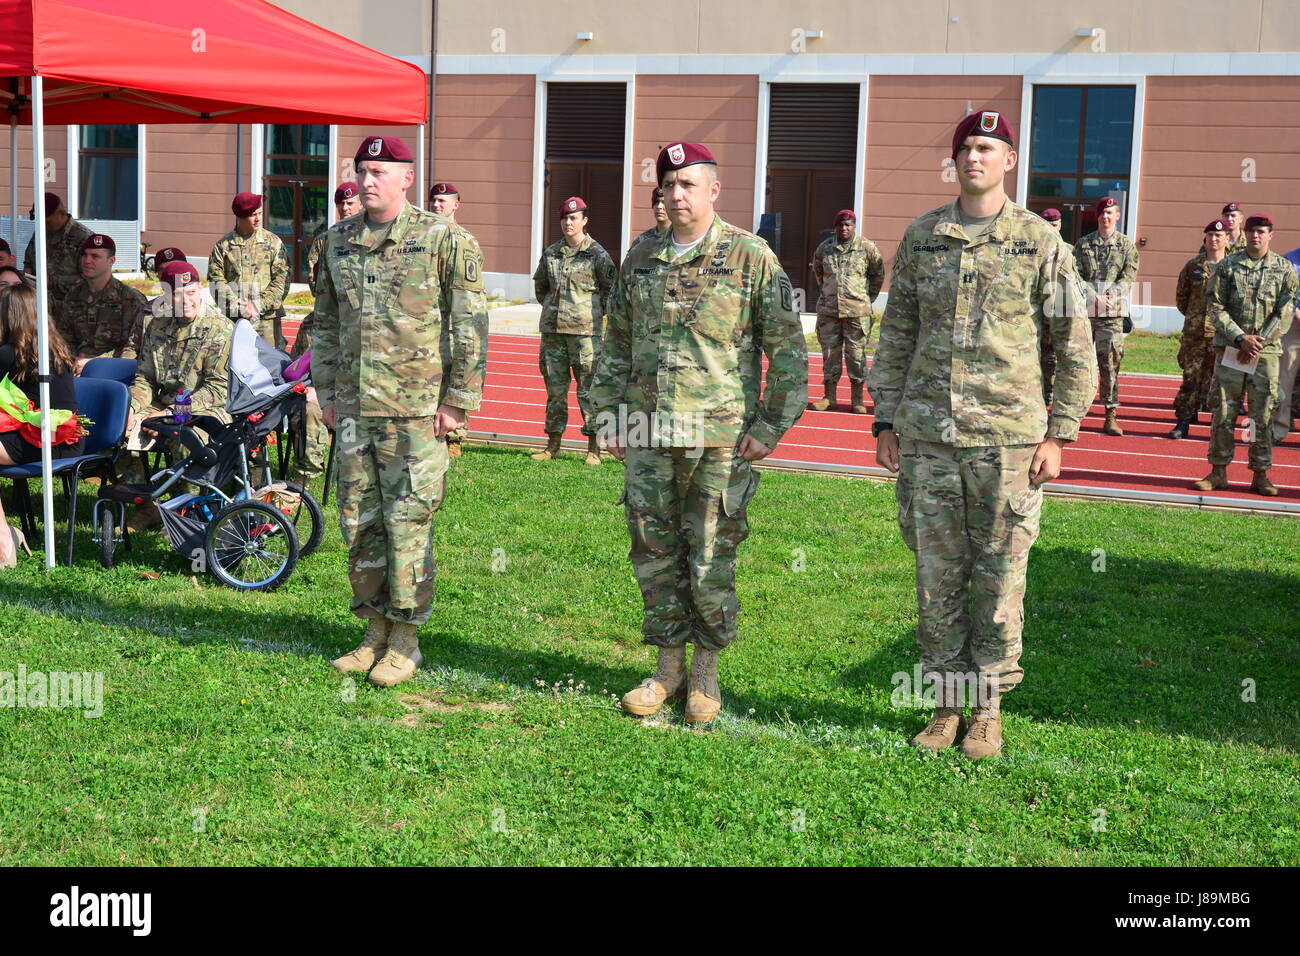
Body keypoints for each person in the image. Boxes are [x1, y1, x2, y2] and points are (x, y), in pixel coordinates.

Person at [869, 109, 1095, 760]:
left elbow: (1073, 344)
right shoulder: (923, 236)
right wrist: (886, 418)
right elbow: (899, 334)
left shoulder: (1040, 241)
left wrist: (1060, 435)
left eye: (988, 148)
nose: (975, 157)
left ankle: (987, 711)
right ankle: (944, 706)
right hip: (930, 439)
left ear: (1009, 161)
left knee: (999, 579)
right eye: (967, 147)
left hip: (1009, 441)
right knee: (937, 578)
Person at [590, 141, 808, 725]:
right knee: (654, 552)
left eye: (689, 184)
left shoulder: (749, 257)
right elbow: (615, 342)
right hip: (646, 431)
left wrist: (770, 424)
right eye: (669, 185)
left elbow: (787, 348)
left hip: (720, 437)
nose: (677, 194)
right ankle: (667, 668)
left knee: (712, 552)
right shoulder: (640, 256)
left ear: (714, 190)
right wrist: (605, 413)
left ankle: (705, 672)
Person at [314, 135, 488, 688]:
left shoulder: (445, 241)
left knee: (407, 522)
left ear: (406, 179)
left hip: (416, 412)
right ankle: (373, 630)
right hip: (355, 409)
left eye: (381, 172)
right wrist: (326, 393)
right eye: (363, 171)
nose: (369, 182)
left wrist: (457, 401)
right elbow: (323, 322)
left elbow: (469, 325)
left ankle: (407, 641)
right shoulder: (337, 241)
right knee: (358, 521)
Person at [1194, 215, 1298, 496]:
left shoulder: (1284, 268)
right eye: (1252, 231)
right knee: (1224, 411)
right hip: (1232, 349)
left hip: (1266, 352)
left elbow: (1286, 309)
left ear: (1270, 236)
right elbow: (1215, 306)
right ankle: (1218, 472)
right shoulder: (1228, 266)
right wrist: (1241, 338)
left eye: (1261, 232)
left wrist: (1258, 341)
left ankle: (1261, 474)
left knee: (1263, 413)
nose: (1255, 236)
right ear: (1245, 233)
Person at [125, 261, 232, 528]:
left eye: (192, 291)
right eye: (177, 293)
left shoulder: (219, 329)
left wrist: (172, 413)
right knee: (119, 430)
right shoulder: (157, 325)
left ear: (201, 290)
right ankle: (146, 506)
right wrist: (132, 408)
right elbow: (145, 377)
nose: (186, 300)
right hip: (162, 406)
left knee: (184, 438)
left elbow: (217, 389)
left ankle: (184, 516)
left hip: (204, 409)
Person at [0, 284, 85, 566]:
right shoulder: (54, 348)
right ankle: (7, 534)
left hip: (46, 441)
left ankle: (4, 539)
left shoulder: (9, 354)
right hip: (65, 439)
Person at [286, 183, 363, 487]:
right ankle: (305, 470)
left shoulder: (370, 239)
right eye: (341, 204)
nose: (346, 208)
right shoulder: (325, 241)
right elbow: (316, 283)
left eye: (351, 203)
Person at [531, 196, 617, 465]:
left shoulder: (597, 254)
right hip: (553, 333)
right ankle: (553, 445)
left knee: (588, 391)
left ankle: (593, 448)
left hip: (585, 335)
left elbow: (610, 291)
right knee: (555, 391)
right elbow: (540, 288)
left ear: (585, 221)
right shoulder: (551, 253)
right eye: (565, 218)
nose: (569, 222)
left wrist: (593, 315)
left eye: (574, 217)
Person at [427, 181, 484, 460]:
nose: (437, 205)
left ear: (456, 205)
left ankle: (455, 437)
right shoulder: (425, 237)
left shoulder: (463, 240)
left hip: (454, 322)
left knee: (455, 374)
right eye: (434, 200)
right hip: (432, 325)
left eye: (443, 201)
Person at [1074, 196, 1139, 436]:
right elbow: (1076, 275)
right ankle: (1075, 412)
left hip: (1112, 314)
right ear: (1097, 216)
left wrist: (1108, 296)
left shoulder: (1126, 246)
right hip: (1085, 312)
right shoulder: (1083, 244)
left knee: (1109, 364)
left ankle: (1110, 416)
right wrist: (1094, 296)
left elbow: (1128, 277)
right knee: (1078, 363)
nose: (1106, 217)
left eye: (1110, 212)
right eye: (1102, 213)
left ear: (1118, 216)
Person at [810, 209, 884, 414]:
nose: (844, 228)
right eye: (840, 225)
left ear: (854, 226)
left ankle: (857, 399)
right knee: (830, 354)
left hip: (857, 313)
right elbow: (819, 274)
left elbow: (877, 276)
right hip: (829, 312)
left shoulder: (867, 248)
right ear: (835, 227)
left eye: (848, 225)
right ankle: (829, 397)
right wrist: (830, 295)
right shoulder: (824, 249)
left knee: (856, 355)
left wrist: (865, 300)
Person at [1169, 220, 1231, 439]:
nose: (1213, 239)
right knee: (1191, 377)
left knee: (1220, 380)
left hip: (1222, 334)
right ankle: (1184, 420)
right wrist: (1195, 317)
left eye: (1218, 236)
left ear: (1227, 239)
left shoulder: (1234, 267)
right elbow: (1181, 298)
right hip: (1194, 334)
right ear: (1204, 239)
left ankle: (1218, 424)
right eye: (1210, 235)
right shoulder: (1193, 266)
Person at [208, 192, 290, 348]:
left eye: (260, 213)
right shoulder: (223, 246)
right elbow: (216, 282)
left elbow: (282, 281)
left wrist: (257, 305)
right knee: (232, 365)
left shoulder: (273, 243)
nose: (258, 218)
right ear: (239, 217)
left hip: (266, 321)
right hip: (234, 320)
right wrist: (239, 308)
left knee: (270, 367)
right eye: (253, 215)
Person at [56, 234, 148, 372]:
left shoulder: (131, 300)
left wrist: (94, 363)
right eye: (84, 255)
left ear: (111, 260)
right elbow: (63, 337)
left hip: (113, 370)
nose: (87, 260)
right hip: (74, 367)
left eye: (95, 256)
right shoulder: (73, 296)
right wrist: (71, 359)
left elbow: (134, 348)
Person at [22, 192, 93, 313]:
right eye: (39, 222)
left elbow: (91, 280)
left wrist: (52, 281)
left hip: (73, 309)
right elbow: (29, 260)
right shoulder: (40, 232)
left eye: (47, 221)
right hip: (39, 306)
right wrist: (27, 275)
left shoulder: (84, 238)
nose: (43, 226)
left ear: (62, 213)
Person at [1270, 246, 1300, 445]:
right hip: (1294, 326)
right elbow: (1283, 293)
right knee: (1285, 379)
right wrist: (1296, 312)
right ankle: (1278, 429)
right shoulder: (1289, 260)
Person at [1038, 208, 1067, 404]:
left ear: (1060, 225)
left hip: (1061, 320)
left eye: (1054, 225)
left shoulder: (1071, 252)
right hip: (1038, 320)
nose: (1051, 230)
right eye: (1047, 225)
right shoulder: (1031, 253)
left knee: (1061, 365)